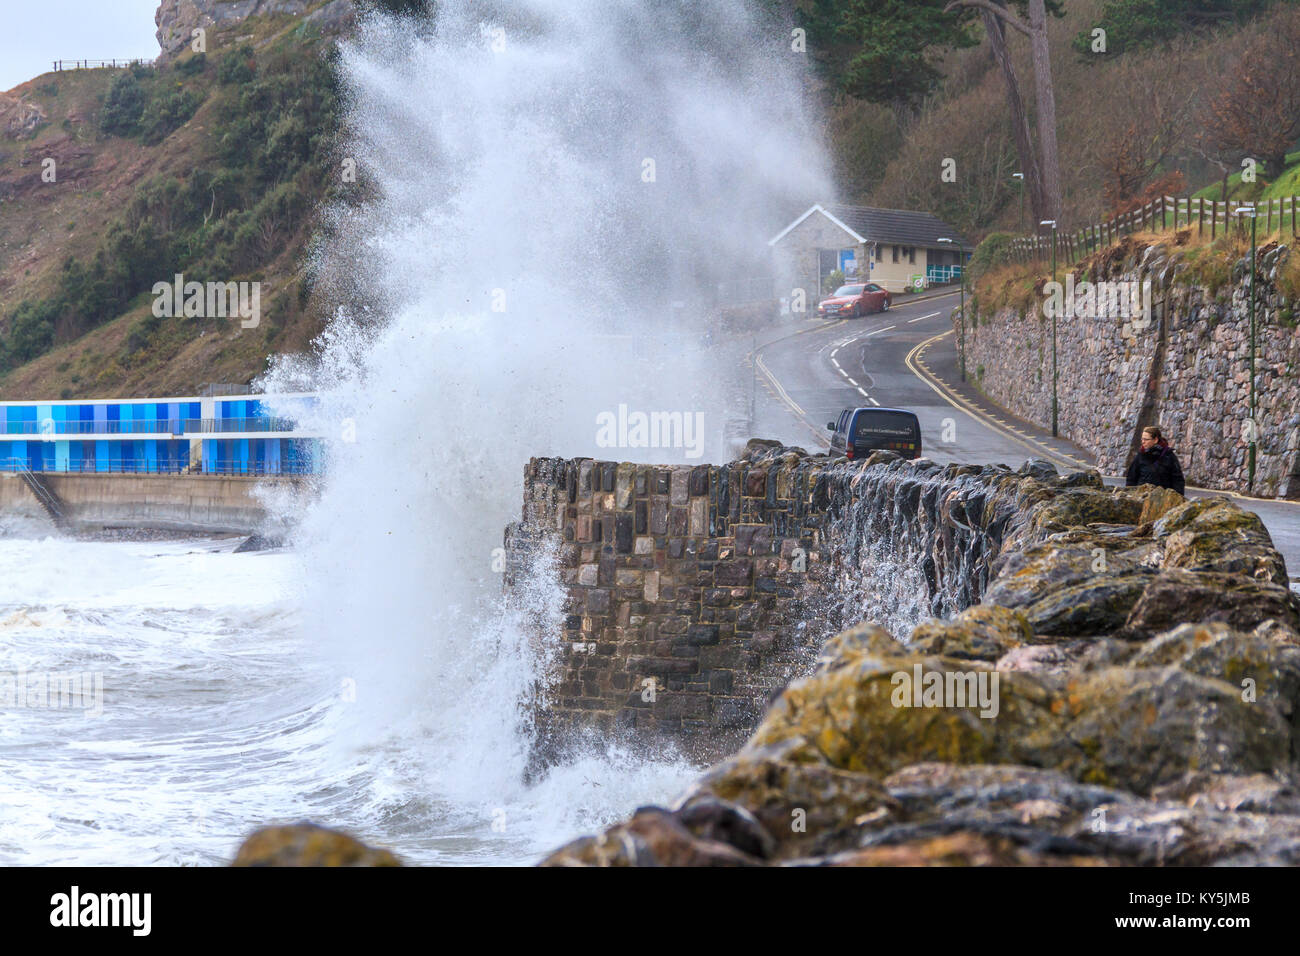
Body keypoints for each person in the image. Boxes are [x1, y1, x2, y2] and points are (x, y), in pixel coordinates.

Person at [1125, 425, 1185, 496]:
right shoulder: (1140, 455)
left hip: (1162, 499)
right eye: (1142, 439)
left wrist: (1177, 498)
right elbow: (1131, 478)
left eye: (1146, 439)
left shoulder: (1169, 456)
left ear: (1155, 440)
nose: (1143, 442)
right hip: (1141, 498)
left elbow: (1178, 480)